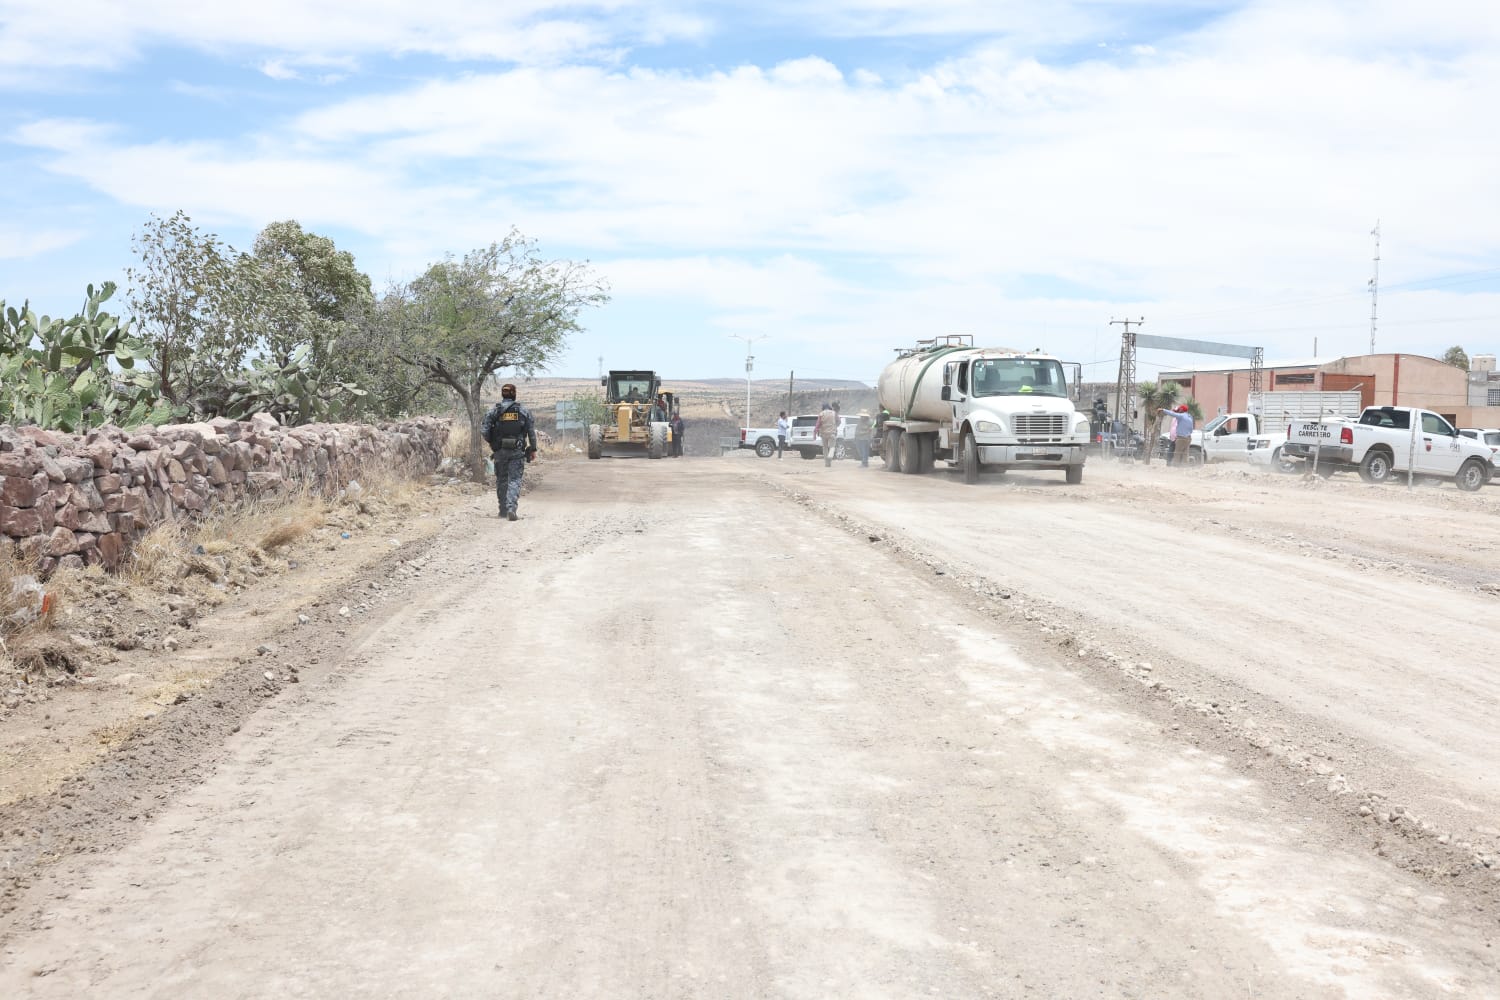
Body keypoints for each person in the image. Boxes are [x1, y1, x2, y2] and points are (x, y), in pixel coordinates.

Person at [481, 382, 537, 520]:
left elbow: (484, 431)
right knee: (515, 479)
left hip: (499, 451)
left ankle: (503, 510)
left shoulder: (494, 410)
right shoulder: (523, 411)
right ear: (514, 394)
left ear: (502, 394)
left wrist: (493, 443)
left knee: (501, 480)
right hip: (517, 451)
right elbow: (531, 432)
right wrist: (533, 448)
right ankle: (512, 508)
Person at [818, 401, 839, 467]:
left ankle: (827, 463)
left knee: (825, 448)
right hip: (832, 433)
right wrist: (835, 426)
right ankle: (830, 457)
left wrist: (817, 430)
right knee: (832, 447)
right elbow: (839, 421)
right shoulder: (834, 413)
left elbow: (818, 423)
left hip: (823, 433)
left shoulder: (821, 414)